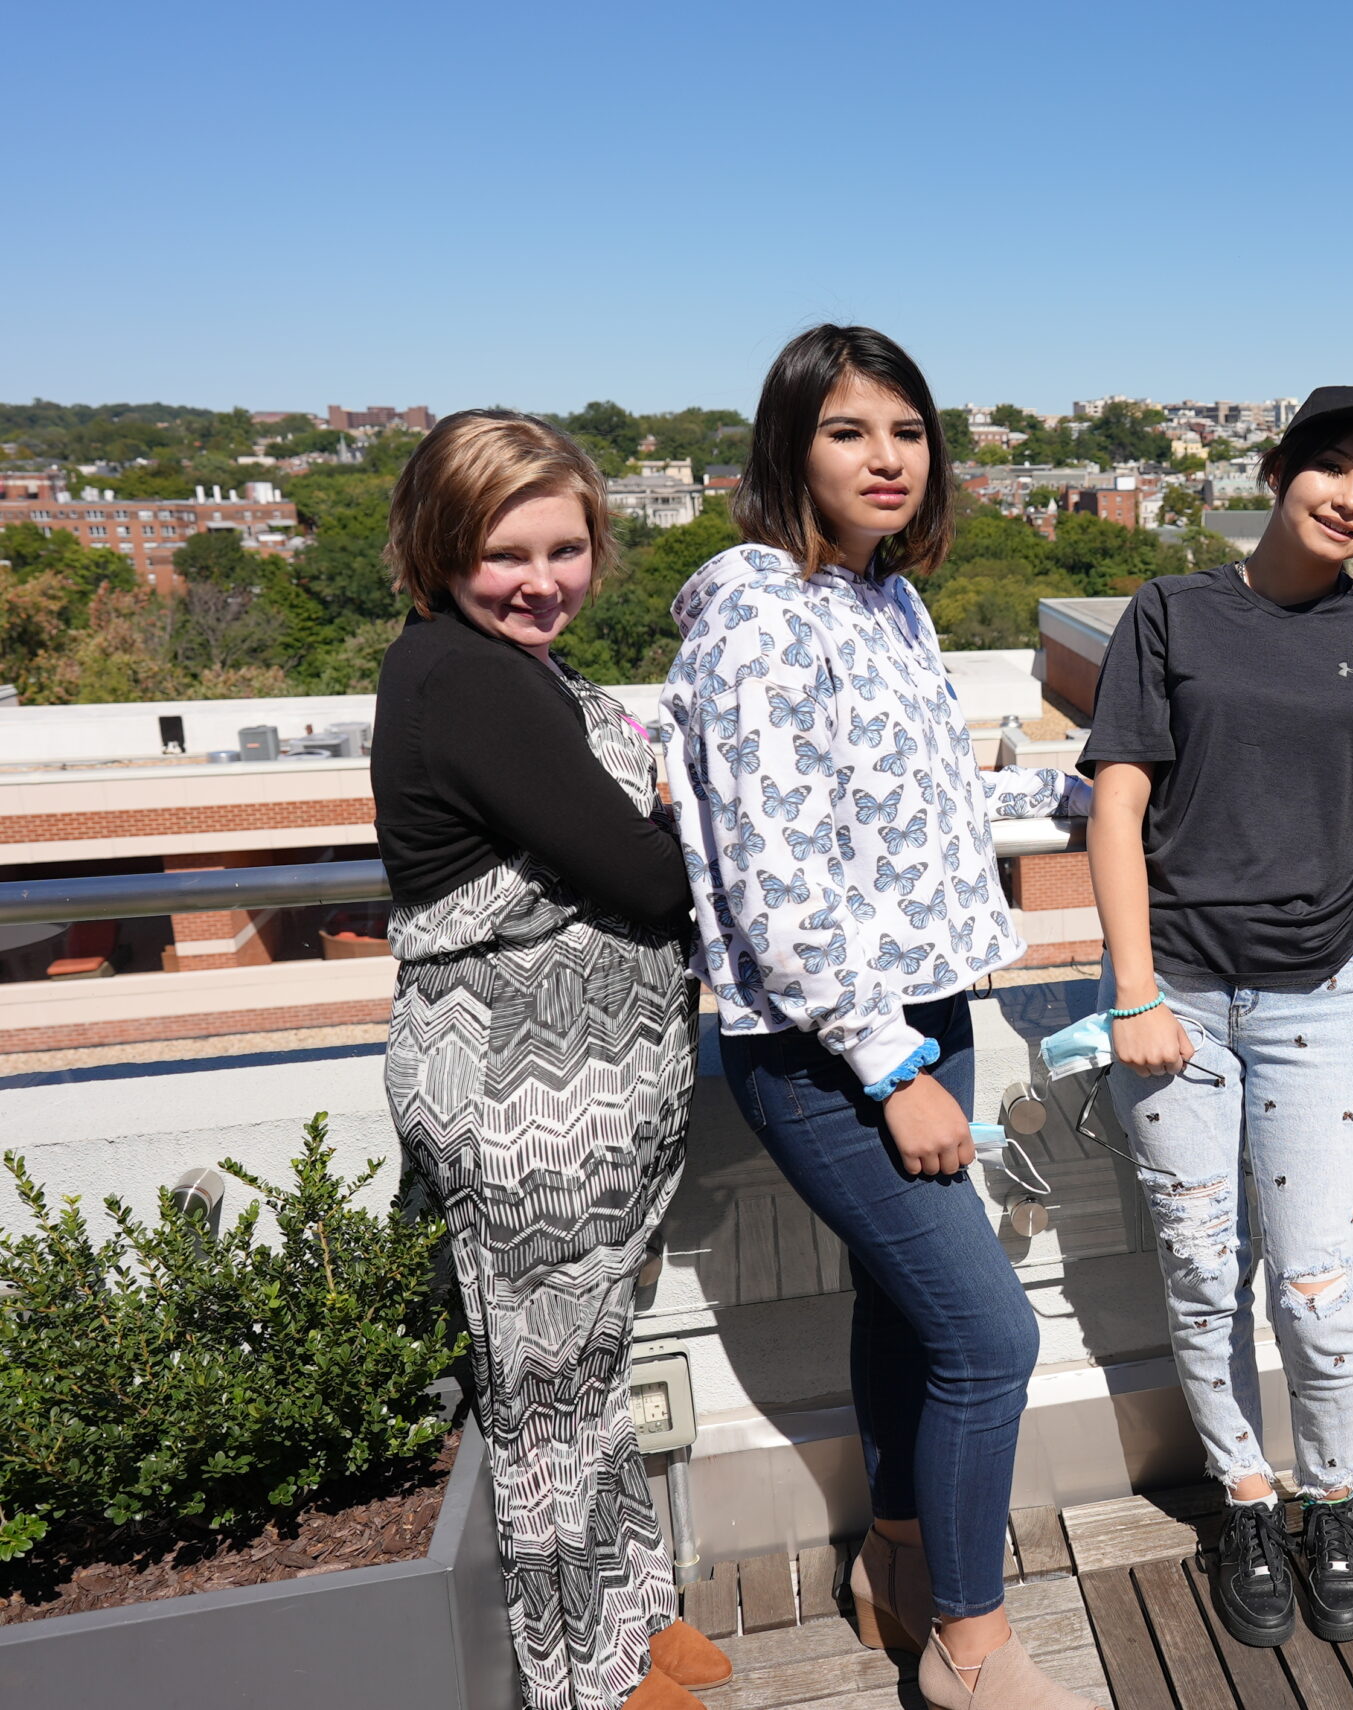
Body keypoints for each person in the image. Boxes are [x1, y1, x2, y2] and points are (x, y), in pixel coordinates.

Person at [662, 325, 1095, 1710]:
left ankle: (895, 1554)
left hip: (920, 1003)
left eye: (906, 430)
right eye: (849, 431)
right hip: (828, 1040)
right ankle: (969, 1645)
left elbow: (892, 821)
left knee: (911, 1314)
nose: (887, 457)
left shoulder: (883, 599)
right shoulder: (762, 620)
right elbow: (781, 891)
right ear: (790, 449)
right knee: (992, 1337)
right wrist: (893, 1062)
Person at [1078, 387, 1353, 1650]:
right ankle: (1246, 1493)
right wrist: (1130, 991)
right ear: (1282, 472)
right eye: (1331, 469)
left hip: (1318, 996)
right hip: (1175, 994)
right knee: (1202, 1274)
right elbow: (1119, 805)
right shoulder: (1173, 611)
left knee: (1315, 1280)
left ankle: (1332, 1497)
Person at [375, 410, 731, 1710]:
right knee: (537, 1402)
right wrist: (707, 818)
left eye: (566, 547)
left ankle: (635, 1617)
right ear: (434, 546)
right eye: (503, 551)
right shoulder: (461, 675)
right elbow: (641, 865)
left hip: (585, 1092)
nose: (541, 580)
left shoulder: (511, 666)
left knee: (586, 1375)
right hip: (521, 1094)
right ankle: (579, 1673)